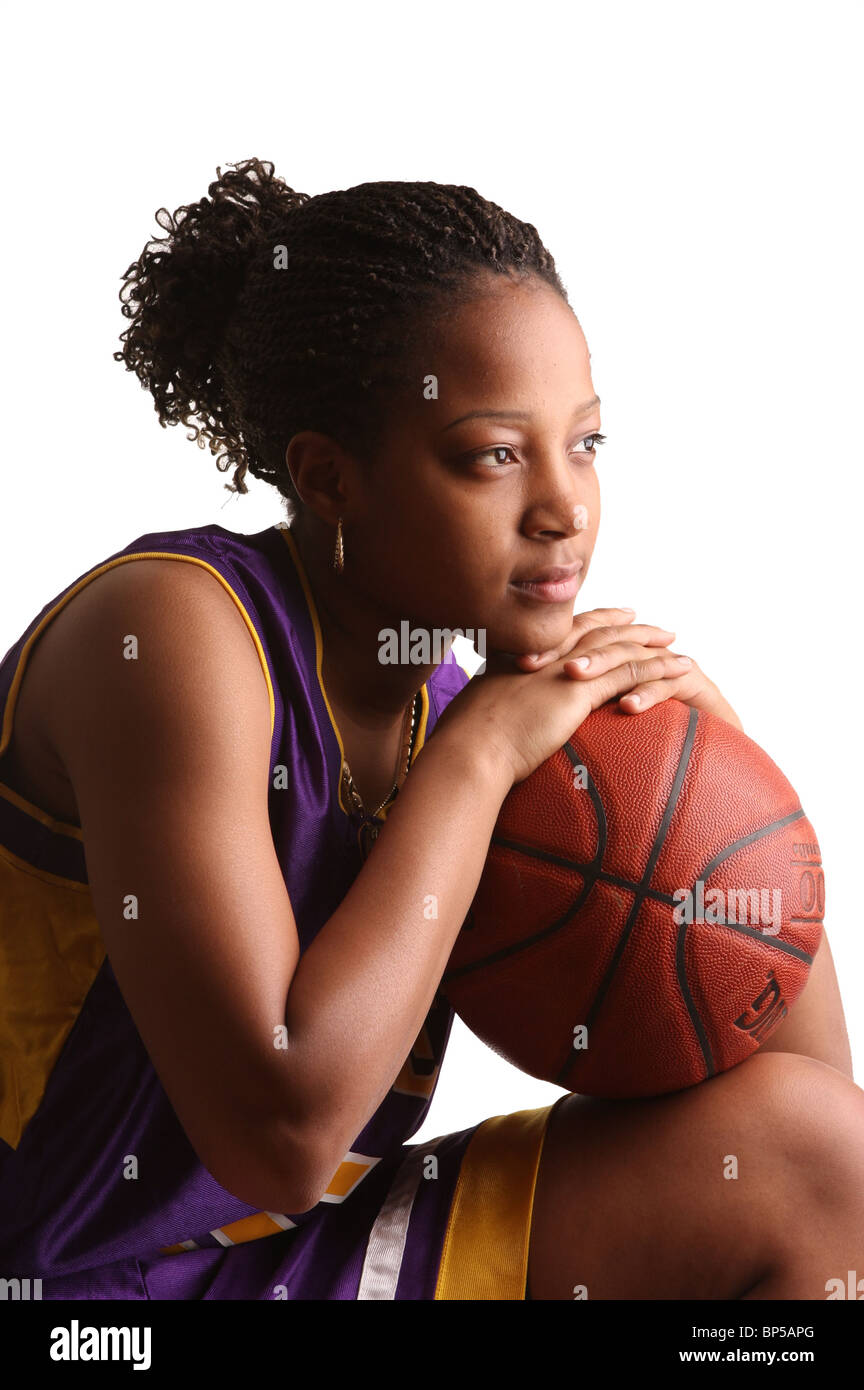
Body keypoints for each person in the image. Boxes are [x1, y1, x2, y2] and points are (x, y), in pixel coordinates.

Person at [0, 160, 861, 1300]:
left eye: (586, 443)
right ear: (330, 479)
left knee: (814, 1163)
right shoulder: (176, 634)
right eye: (495, 454)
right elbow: (281, 1135)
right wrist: (480, 758)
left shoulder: (462, 701)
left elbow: (820, 1135)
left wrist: (726, 792)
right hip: (65, 1288)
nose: (565, 506)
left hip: (291, 1263)